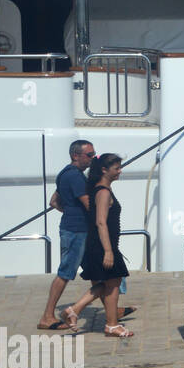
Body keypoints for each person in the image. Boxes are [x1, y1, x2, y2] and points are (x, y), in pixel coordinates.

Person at [63, 154, 134, 338]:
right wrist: (108, 251)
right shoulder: (103, 192)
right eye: (116, 168)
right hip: (103, 245)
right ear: (104, 170)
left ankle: (97, 319)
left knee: (110, 282)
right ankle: (105, 322)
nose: (120, 171)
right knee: (113, 281)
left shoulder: (98, 189)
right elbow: (101, 222)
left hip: (101, 244)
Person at [39, 140, 95, 330]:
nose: (92, 158)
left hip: (72, 227)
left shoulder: (65, 174)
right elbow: (89, 204)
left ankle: (112, 309)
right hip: (77, 231)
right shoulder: (76, 177)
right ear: (75, 155)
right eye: (89, 155)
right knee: (65, 273)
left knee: (97, 270)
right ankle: (47, 316)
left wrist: (69, 211)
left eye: (93, 154)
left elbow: (54, 201)